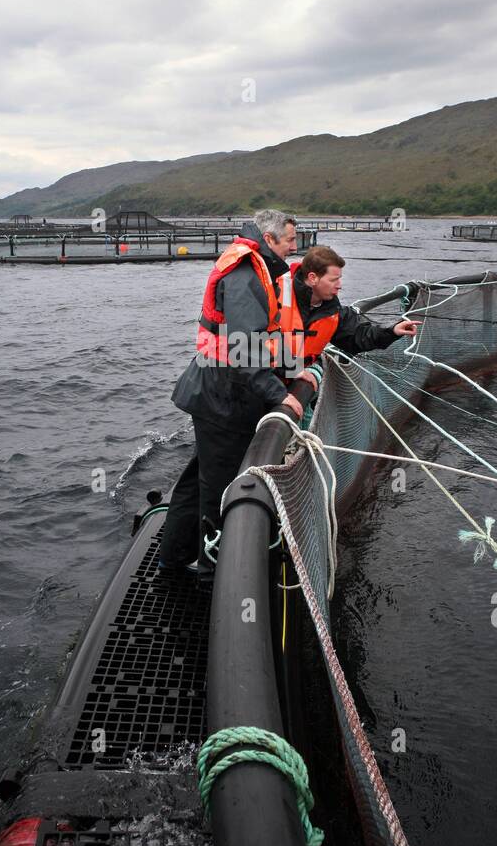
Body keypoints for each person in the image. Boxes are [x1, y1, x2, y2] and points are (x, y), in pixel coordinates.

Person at [158, 209, 316, 577]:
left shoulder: (260, 269)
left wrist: (291, 369)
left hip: (219, 389)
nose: (295, 247)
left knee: (199, 477)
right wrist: (279, 395)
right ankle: (211, 571)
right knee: (219, 486)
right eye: (290, 240)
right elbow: (245, 346)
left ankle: (173, 556)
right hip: (221, 395)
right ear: (269, 239)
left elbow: (268, 335)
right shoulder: (246, 274)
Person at [276, 245, 421, 375]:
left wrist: (393, 330)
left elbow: (358, 336)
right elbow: (263, 349)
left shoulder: (332, 309)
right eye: (333, 280)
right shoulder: (274, 296)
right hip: (271, 384)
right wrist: (293, 371)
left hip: (298, 380)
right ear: (313, 278)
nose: (339, 285)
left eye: (339, 279)